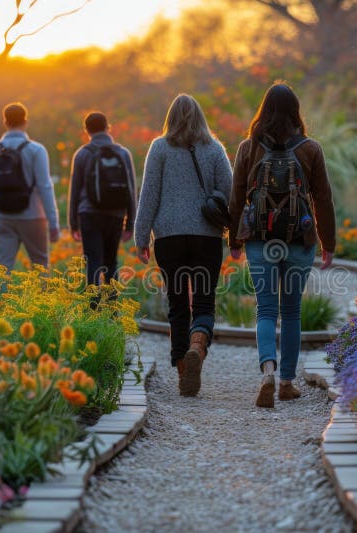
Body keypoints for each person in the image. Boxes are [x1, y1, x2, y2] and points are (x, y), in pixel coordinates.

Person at [228, 82, 336, 408]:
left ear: (264, 109)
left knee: (265, 310)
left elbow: (236, 199)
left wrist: (234, 239)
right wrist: (327, 242)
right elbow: (323, 199)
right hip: (299, 240)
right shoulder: (310, 148)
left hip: (260, 239)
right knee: (291, 312)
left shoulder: (248, 147)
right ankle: (287, 383)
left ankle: (268, 373)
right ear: (295, 111)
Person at [134, 94, 232, 397]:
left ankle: (182, 372)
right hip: (207, 237)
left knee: (177, 305)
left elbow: (148, 194)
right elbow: (229, 193)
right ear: (201, 117)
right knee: (204, 301)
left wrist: (141, 237)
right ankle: (197, 347)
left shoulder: (159, 148)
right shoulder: (215, 149)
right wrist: (238, 237)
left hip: (169, 238)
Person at [0, 102, 60, 271]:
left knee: (3, 268)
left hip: (4, 217)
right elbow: (45, 187)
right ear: (25, 121)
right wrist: (53, 223)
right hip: (33, 217)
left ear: (5, 122)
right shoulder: (36, 150)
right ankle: (41, 298)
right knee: (40, 266)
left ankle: (2, 298)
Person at [68, 112, 137, 285]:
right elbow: (131, 189)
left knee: (93, 262)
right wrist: (130, 223)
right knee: (111, 262)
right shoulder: (123, 153)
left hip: (89, 214)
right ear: (108, 127)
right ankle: (112, 310)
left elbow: (74, 191)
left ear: (87, 131)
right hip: (115, 214)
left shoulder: (82, 154)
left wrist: (73, 223)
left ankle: (93, 309)